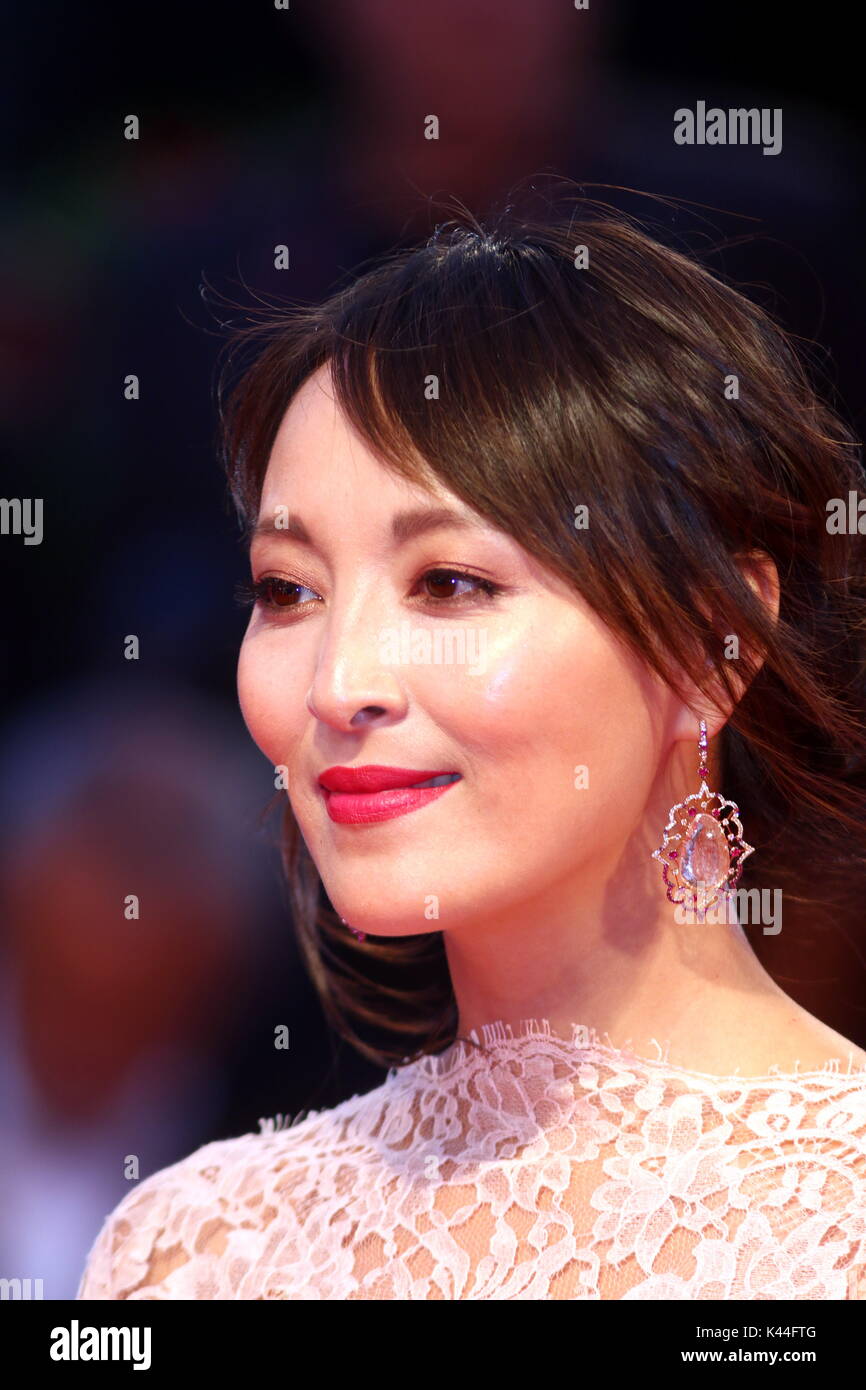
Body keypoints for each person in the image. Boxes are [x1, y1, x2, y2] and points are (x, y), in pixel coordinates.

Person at [77, 192, 866, 1300]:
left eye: (449, 583)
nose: (340, 682)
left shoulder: (839, 1223)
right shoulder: (192, 1248)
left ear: (712, 640)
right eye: (287, 590)